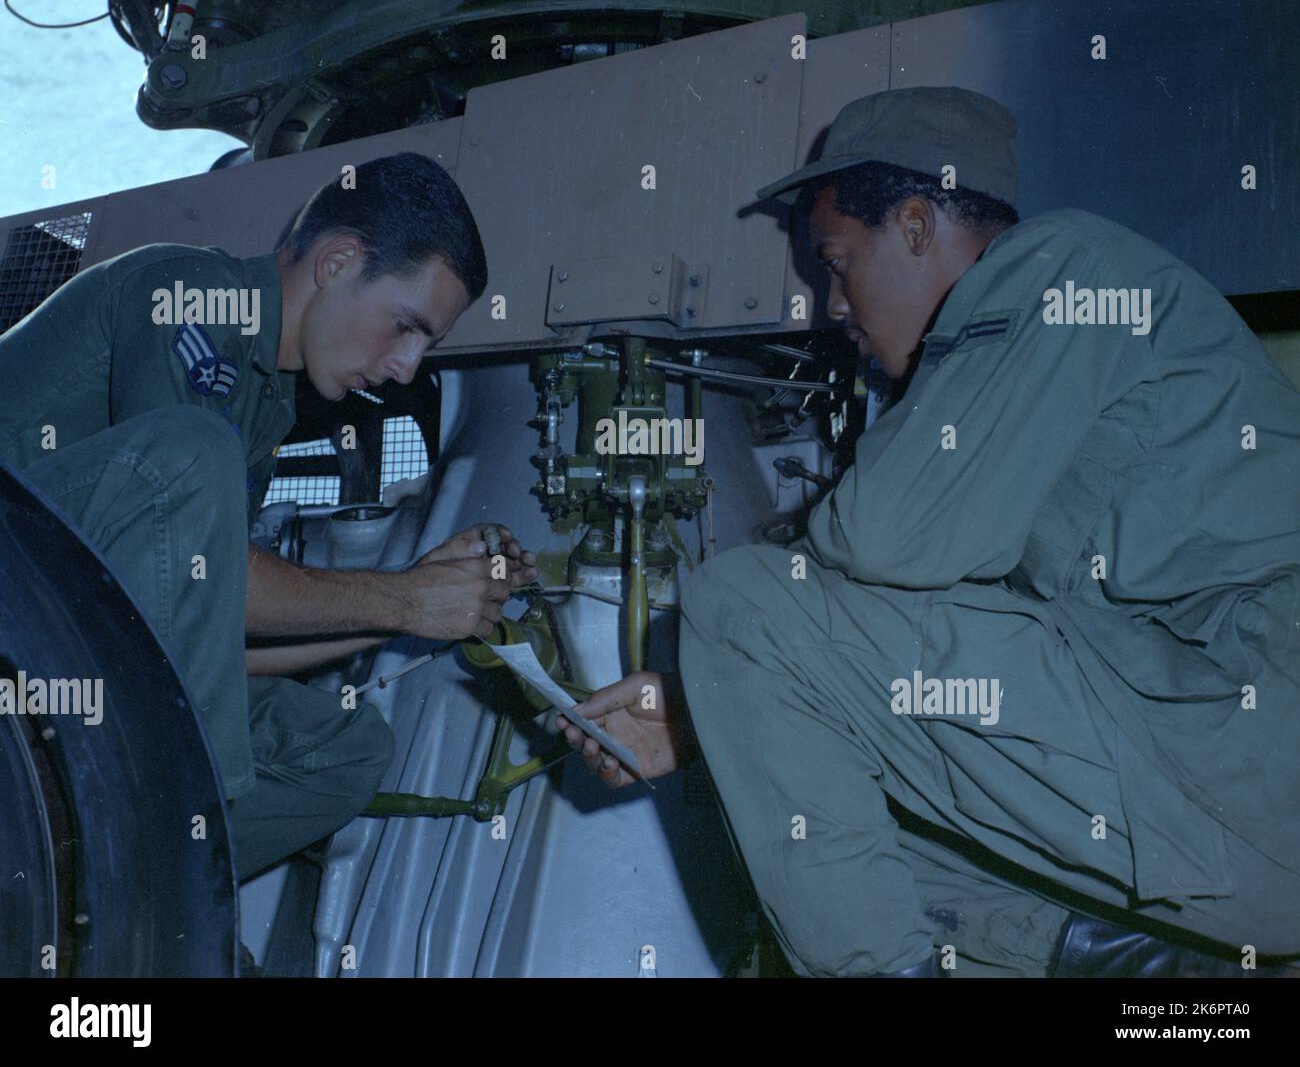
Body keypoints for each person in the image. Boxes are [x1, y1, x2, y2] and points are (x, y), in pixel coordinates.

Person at [560, 87, 1300, 978]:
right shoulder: (1053, 363)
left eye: (836, 262)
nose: (833, 305)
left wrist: (730, 659)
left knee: (740, 601)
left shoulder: (1059, 267)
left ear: (915, 224)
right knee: (839, 818)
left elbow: (882, 539)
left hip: (1247, 750)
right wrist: (702, 714)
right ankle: (1144, 968)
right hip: (1233, 805)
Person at [0, 151, 537, 883]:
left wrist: (412, 608)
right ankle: (162, 876)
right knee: (193, 454)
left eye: (427, 345)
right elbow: (202, 547)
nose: (409, 368)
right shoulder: (191, 293)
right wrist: (408, 598)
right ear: (338, 261)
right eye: (406, 326)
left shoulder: (265, 407)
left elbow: (213, 630)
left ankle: (125, 892)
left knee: (346, 751)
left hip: (57, 653)